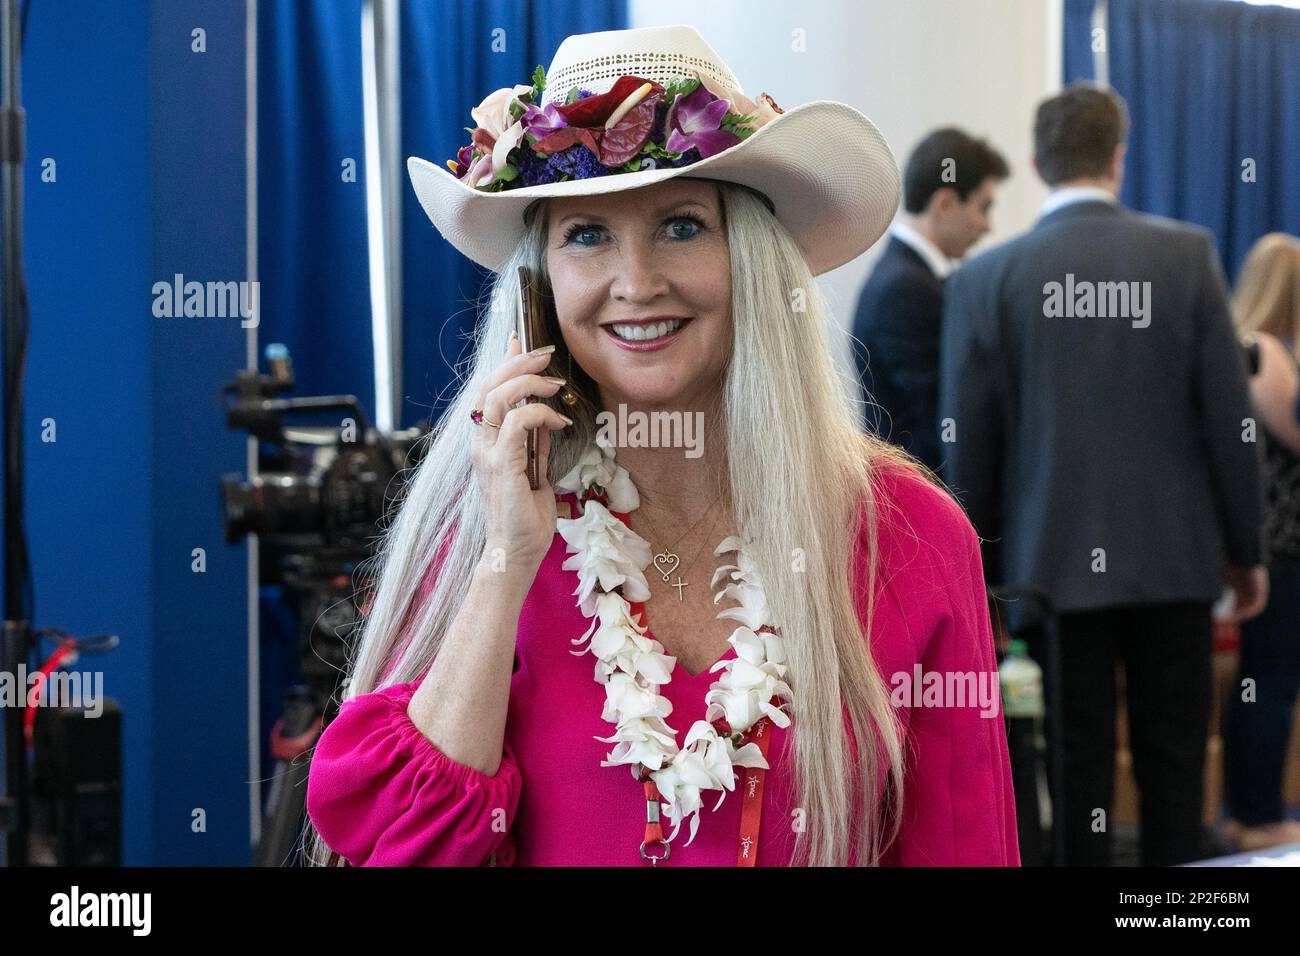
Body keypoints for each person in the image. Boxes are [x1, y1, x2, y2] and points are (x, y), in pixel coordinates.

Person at [304, 24, 1018, 867]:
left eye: (681, 226)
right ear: (538, 291)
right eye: (587, 235)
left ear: (751, 260)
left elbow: (962, 846)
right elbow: (400, 850)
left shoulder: (910, 536)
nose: (636, 283)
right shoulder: (484, 533)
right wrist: (505, 560)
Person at [939, 82, 1267, 867]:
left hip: (1051, 574)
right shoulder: (1186, 256)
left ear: (1035, 163)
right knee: (1176, 767)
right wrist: (1246, 548)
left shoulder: (985, 281)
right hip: (1175, 564)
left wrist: (976, 583)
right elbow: (1232, 422)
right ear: (1120, 156)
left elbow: (969, 448)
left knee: (1075, 771)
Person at [851, 128, 1009, 473]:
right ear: (945, 203)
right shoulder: (904, 290)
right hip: (918, 499)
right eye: (984, 207)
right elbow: (940, 420)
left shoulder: (913, 278)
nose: (988, 226)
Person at [1223, 233, 1300, 851]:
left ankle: (1249, 808)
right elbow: (1294, 432)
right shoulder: (1264, 349)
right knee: (1270, 679)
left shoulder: (1242, 348)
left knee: (1265, 678)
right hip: (1282, 549)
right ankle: (1255, 814)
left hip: (1269, 547)